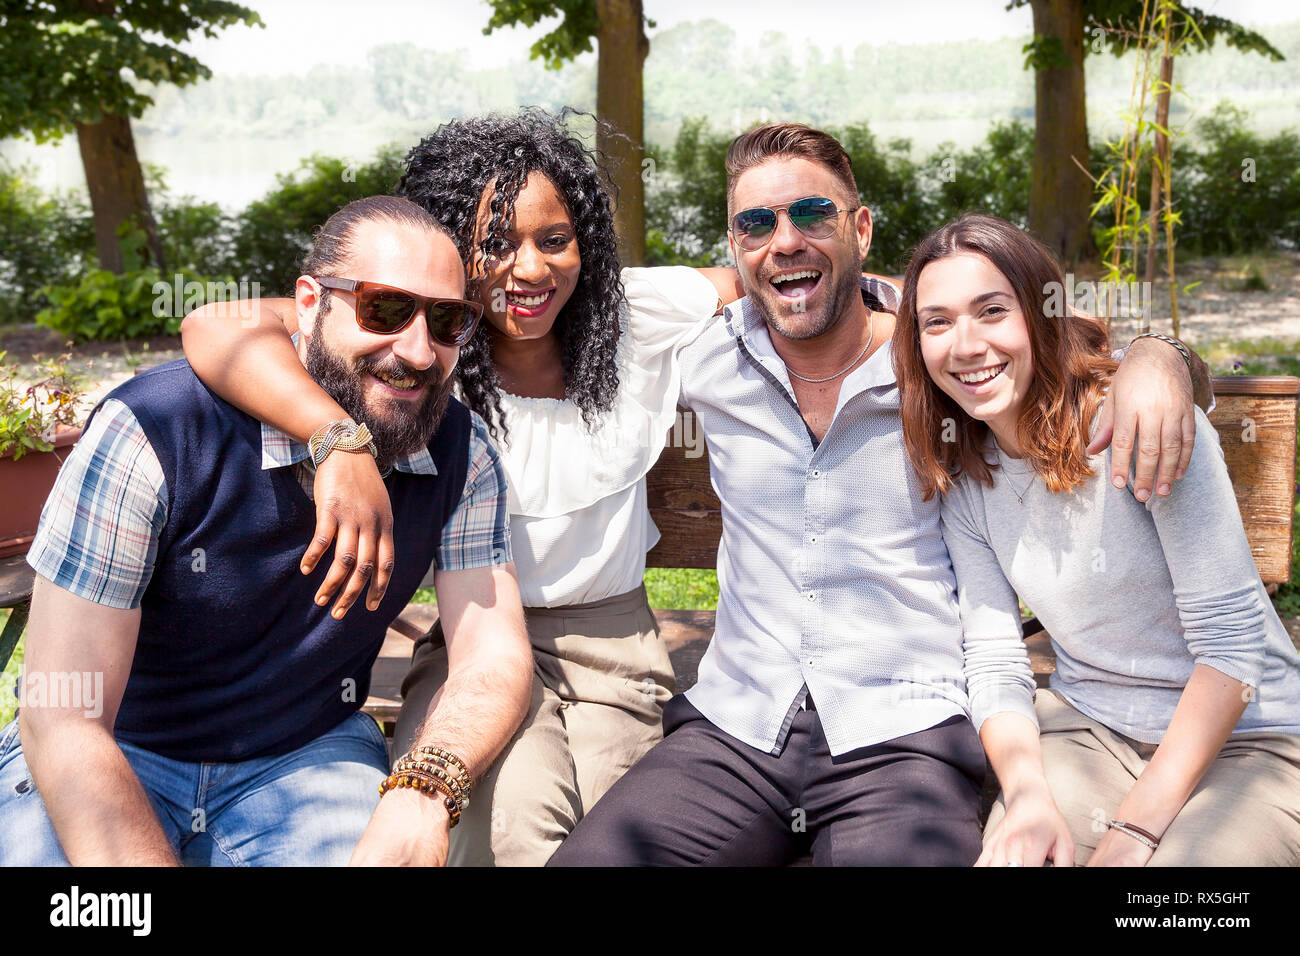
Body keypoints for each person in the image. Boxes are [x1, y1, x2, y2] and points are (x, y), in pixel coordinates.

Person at [548, 123, 1209, 866]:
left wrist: (1165, 358)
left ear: (860, 228)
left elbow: (1068, 352)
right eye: (756, 224)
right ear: (735, 248)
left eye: (813, 215)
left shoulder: (938, 359)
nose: (785, 241)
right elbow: (523, 327)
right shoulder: (707, 357)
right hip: (737, 728)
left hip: (904, 741)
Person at [180, 110, 743, 865]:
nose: (531, 269)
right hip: (475, 633)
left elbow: (775, 275)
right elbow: (218, 324)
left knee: (628, 827)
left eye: (554, 239)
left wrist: (897, 300)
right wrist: (338, 440)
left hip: (617, 646)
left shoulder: (637, 314)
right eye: (495, 243)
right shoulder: (423, 338)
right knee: (507, 825)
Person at [0, 195, 533, 866]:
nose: (419, 351)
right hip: (118, 745)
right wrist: (344, 443)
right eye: (386, 310)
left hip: (305, 755)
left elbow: (493, 654)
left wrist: (424, 789)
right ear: (308, 304)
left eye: (449, 321)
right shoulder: (154, 431)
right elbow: (63, 715)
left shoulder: (461, 451)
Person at [890, 212, 1300, 867]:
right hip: (1090, 729)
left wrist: (1133, 833)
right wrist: (1026, 795)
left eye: (992, 311)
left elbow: (1232, 649)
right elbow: (995, 662)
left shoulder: (1140, 421)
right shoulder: (965, 469)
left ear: (1039, 313)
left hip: (1253, 740)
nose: (965, 345)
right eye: (937, 322)